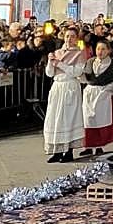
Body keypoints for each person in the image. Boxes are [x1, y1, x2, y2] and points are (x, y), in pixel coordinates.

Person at [43, 26, 86, 163]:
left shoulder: (79, 53)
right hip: (57, 87)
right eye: (67, 36)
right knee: (55, 118)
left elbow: (76, 72)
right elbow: (50, 73)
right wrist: (50, 62)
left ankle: (68, 151)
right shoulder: (57, 52)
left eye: (72, 36)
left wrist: (60, 64)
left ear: (76, 39)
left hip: (70, 87)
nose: (69, 39)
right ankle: (57, 150)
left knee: (68, 118)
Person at [80, 39, 113, 156]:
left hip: (103, 95)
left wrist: (107, 90)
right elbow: (84, 77)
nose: (100, 51)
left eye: (103, 49)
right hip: (90, 93)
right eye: (98, 49)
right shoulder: (90, 62)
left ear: (108, 50)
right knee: (88, 120)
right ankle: (88, 145)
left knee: (101, 120)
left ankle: (99, 145)